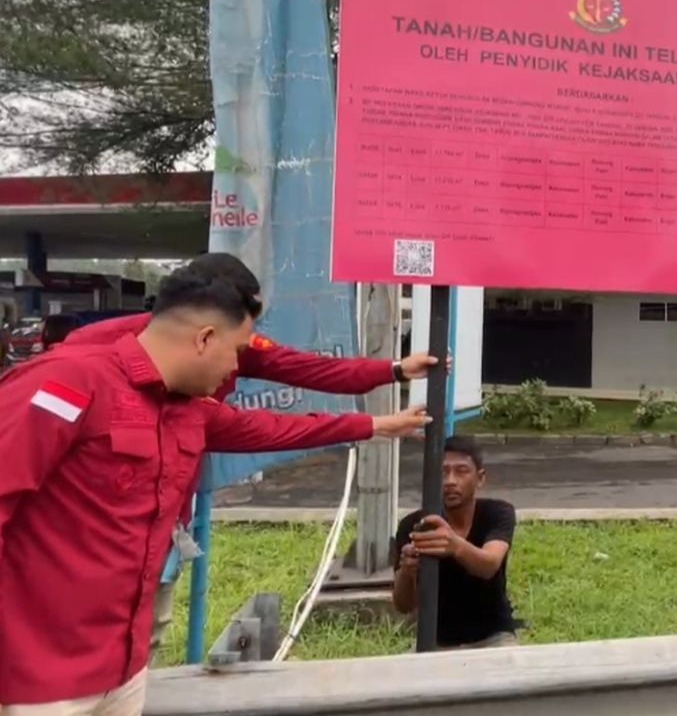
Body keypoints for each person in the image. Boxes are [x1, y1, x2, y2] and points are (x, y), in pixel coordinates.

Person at [0, 266, 430, 713]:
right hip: (39, 681)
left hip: (120, 671)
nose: (235, 371)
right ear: (205, 338)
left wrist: (379, 417)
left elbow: (275, 426)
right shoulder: (69, 380)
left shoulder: (189, 409)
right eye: (236, 354)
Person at [392, 437, 519, 650]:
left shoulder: (498, 513)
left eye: (461, 471)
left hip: (493, 636)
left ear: (480, 479)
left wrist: (455, 546)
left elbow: (489, 565)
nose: (450, 481)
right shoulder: (413, 525)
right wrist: (407, 570)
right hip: (437, 641)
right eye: (442, 473)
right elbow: (403, 605)